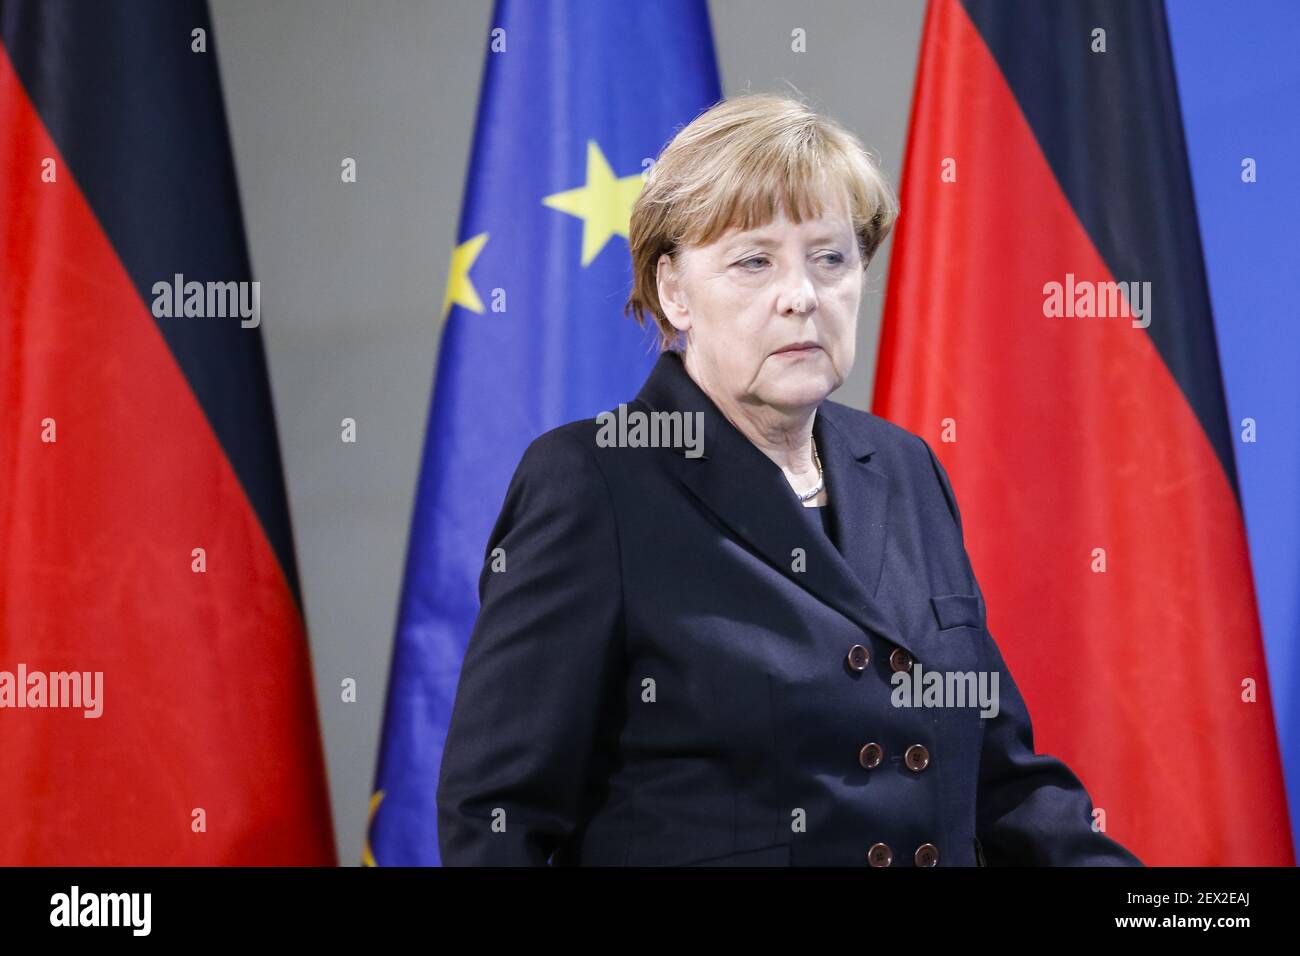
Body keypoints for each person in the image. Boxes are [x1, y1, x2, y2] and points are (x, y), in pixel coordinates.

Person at [436, 92, 1142, 867]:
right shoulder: (592, 482)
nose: (801, 295)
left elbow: (1003, 785)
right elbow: (497, 817)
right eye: (754, 260)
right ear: (674, 290)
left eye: (830, 258)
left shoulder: (904, 469)